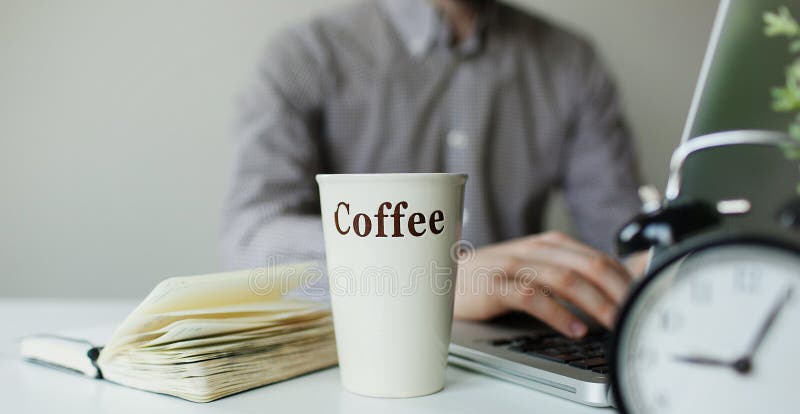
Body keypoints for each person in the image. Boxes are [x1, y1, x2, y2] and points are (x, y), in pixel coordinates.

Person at [221, 0, 645, 338]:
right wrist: (425, 278)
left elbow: (620, 244)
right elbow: (248, 241)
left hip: (524, 345)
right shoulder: (306, 55)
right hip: (364, 347)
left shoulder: (572, 63)